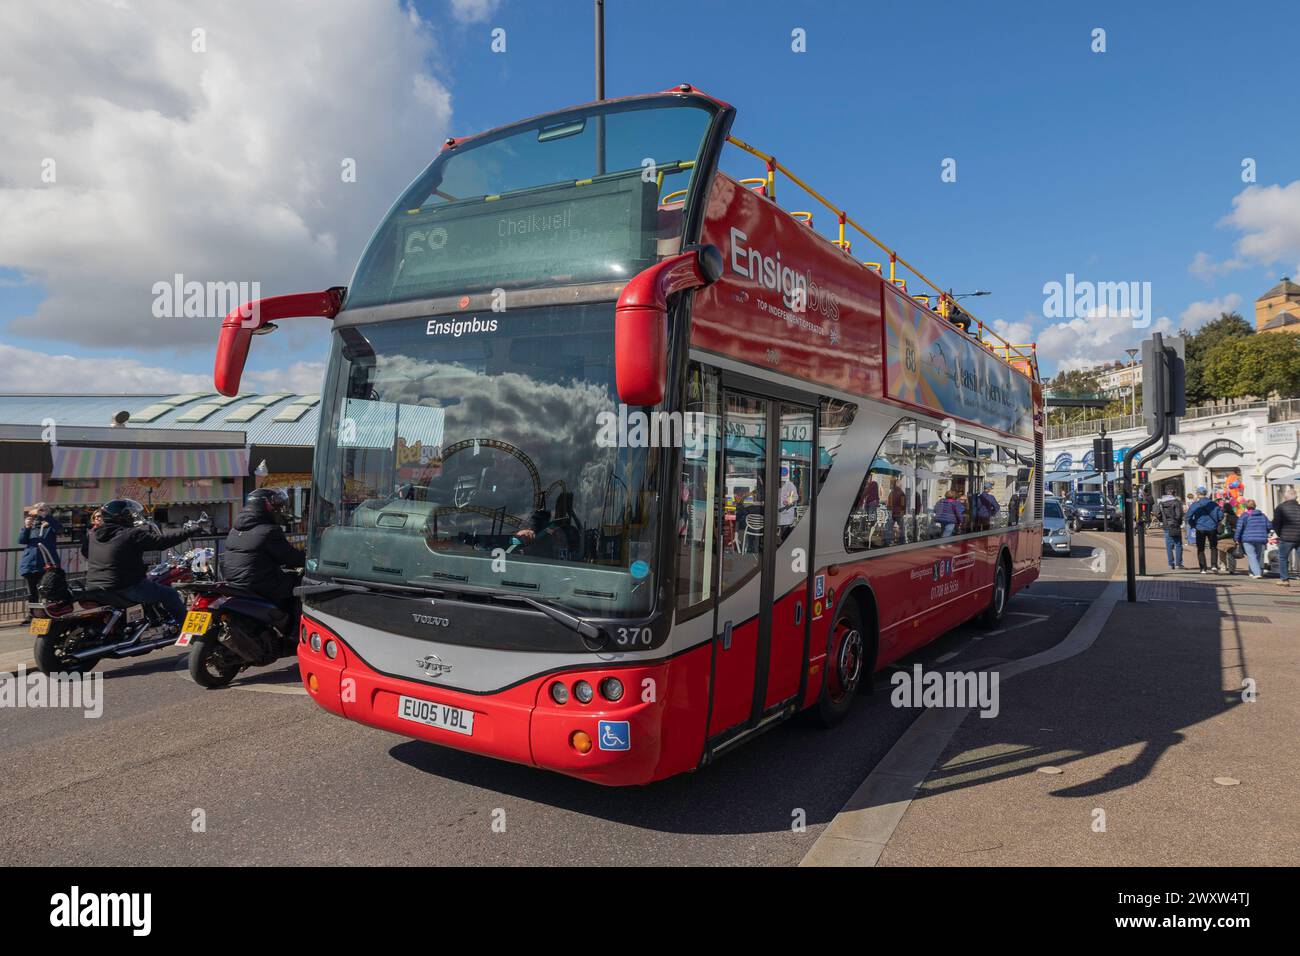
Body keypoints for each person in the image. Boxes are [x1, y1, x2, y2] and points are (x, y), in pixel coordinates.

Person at [85, 499, 199, 628]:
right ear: (122, 517)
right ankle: (190, 631)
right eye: (129, 514)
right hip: (125, 586)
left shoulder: (93, 535)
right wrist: (190, 531)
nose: (132, 517)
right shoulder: (131, 534)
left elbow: (86, 552)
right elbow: (161, 542)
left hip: (94, 585)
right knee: (169, 593)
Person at [221, 488, 306, 608]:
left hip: (235, 584)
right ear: (264, 505)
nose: (278, 511)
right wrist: (310, 557)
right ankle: (296, 625)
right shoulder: (269, 530)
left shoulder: (235, 530)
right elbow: (291, 558)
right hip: (259, 585)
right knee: (301, 584)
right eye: (276, 507)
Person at [17, 503, 62, 623]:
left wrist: (45, 516)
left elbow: (59, 528)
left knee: (47, 590)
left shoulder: (50, 525)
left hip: (47, 563)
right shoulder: (32, 526)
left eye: (42, 510)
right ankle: (32, 614)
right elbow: (21, 540)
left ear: (48, 512)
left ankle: (48, 613)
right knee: (32, 592)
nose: (38, 512)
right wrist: (26, 527)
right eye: (37, 509)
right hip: (30, 564)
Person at [1185, 485, 1223, 574]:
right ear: (1206, 494)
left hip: (1200, 528)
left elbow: (1188, 517)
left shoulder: (1195, 505)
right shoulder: (1213, 504)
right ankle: (1214, 566)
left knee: (1200, 548)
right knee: (1213, 547)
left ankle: (1203, 568)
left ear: (1198, 494)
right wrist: (1216, 521)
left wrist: (1193, 524)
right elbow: (1220, 515)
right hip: (1212, 528)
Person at [1233, 499, 1272, 580]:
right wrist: (1264, 532)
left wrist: (1236, 538)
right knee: (1256, 556)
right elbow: (1269, 526)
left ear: (1246, 507)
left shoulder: (1244, 515)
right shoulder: (1262, 515)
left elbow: (1239, 528)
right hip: (1260, 538)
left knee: (1251, 556)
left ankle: (1257, 573)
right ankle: (1252, 572)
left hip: (1248, 538)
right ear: (1255, 506)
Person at [1271, 487, 1300, 587]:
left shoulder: (1281, 507)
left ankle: (1285, 579)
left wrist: (1280, 534)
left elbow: (1276, 523)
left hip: (1286, 537)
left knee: (1283, 558)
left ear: (1286, 498)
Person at [1154, 490, 1186, 570]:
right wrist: (1178, 523)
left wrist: (1163, 520)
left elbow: (1158, 514)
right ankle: (1178, 564)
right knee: (1178, 544)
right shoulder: (1176, 502)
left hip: (1166, 526)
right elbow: (1179, 515)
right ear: (1174, 494)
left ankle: (1170, 564)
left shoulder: (1161, 503)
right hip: (1175, 525)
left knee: (1169, 545)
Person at [1216, 501, 1239, 575]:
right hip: (1232, 537)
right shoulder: (1235, 517)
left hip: (1222, 538)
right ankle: (1232, 568)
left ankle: (1223, 566)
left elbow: (1218, 528)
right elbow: (1237, 527)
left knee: (1222, 553)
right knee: (1231, 554)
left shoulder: (1221, 517)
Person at [885, 479, 907, 546]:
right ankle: (902, 541)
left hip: (892, 513)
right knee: (901, 528)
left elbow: (888, 503)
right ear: (900, 485)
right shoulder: (902, 493)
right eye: (901, 484)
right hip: (899, 513)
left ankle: (887, 541)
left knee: (889, 528)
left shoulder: (892, 492)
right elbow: (903, 505)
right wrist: (903, 513)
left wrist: (889, 510)